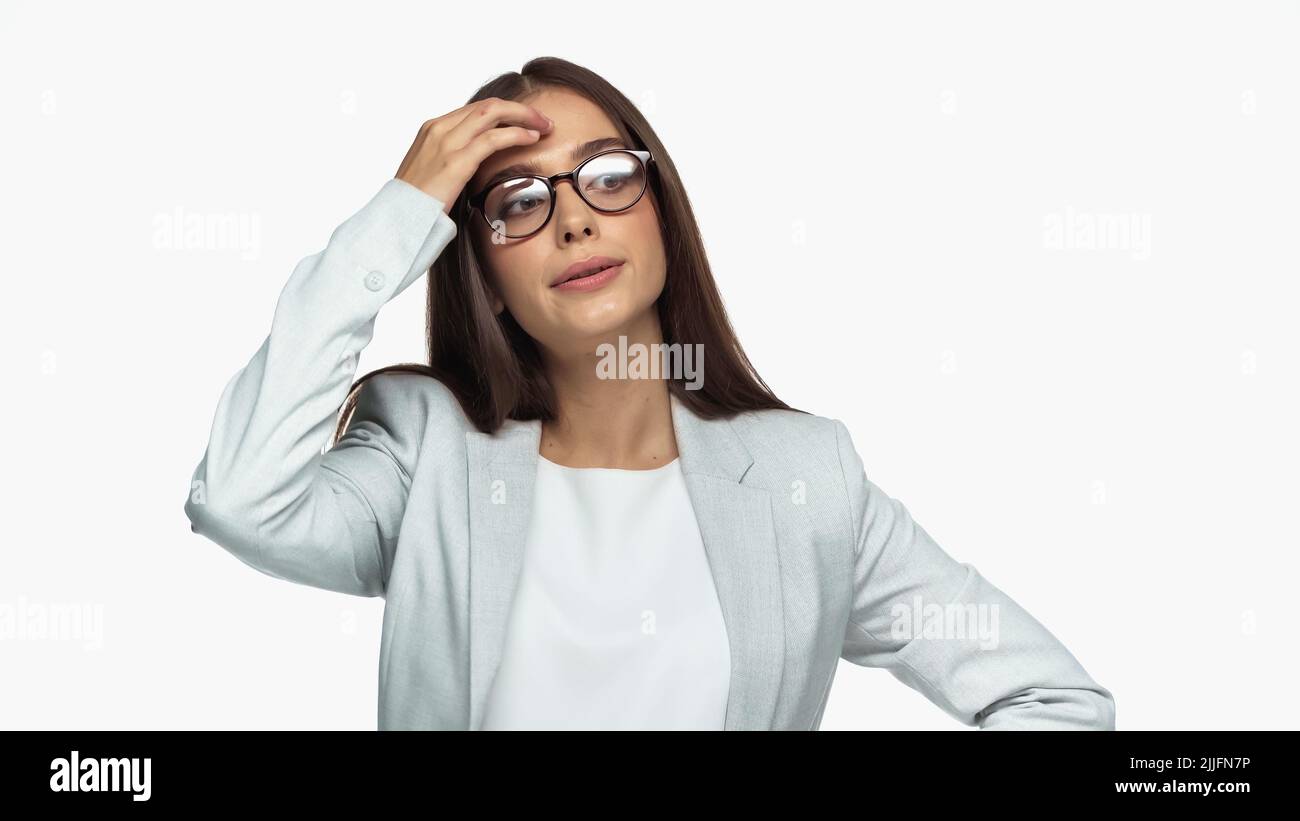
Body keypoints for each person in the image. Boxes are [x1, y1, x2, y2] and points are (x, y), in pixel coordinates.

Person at [183, 56, 1115, 731]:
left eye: (608, 176)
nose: (576, 217)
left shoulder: (804, 480)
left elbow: (1052, 700)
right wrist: (399, 214)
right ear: (478, 263)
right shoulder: (424, 453)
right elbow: (238, 498)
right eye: (518, 201)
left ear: (661, 204)